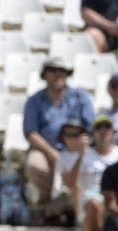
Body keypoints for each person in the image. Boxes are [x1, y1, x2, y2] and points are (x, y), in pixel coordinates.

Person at [23, 57, 95, 213]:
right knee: (34, 165)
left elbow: (90, 126)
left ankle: (71, 203)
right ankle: (52, 200)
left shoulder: (80, 96)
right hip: (46, 149)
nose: (57, 74)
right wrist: (51, 152)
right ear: (44, 75)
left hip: (76, 148)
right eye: (53, 71)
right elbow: (31, 132)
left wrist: (77, 146)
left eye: (62, 71)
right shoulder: (34, 101)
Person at [57, 115, 118, 231]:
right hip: (92, 198)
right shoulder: (85, 154)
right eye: (99, 128)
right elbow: (72, 184)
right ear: (92, 133)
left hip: (115, 199)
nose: (103, 131)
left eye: (107, 127)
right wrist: (81, 155)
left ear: (114, 133)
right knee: (94, 204)